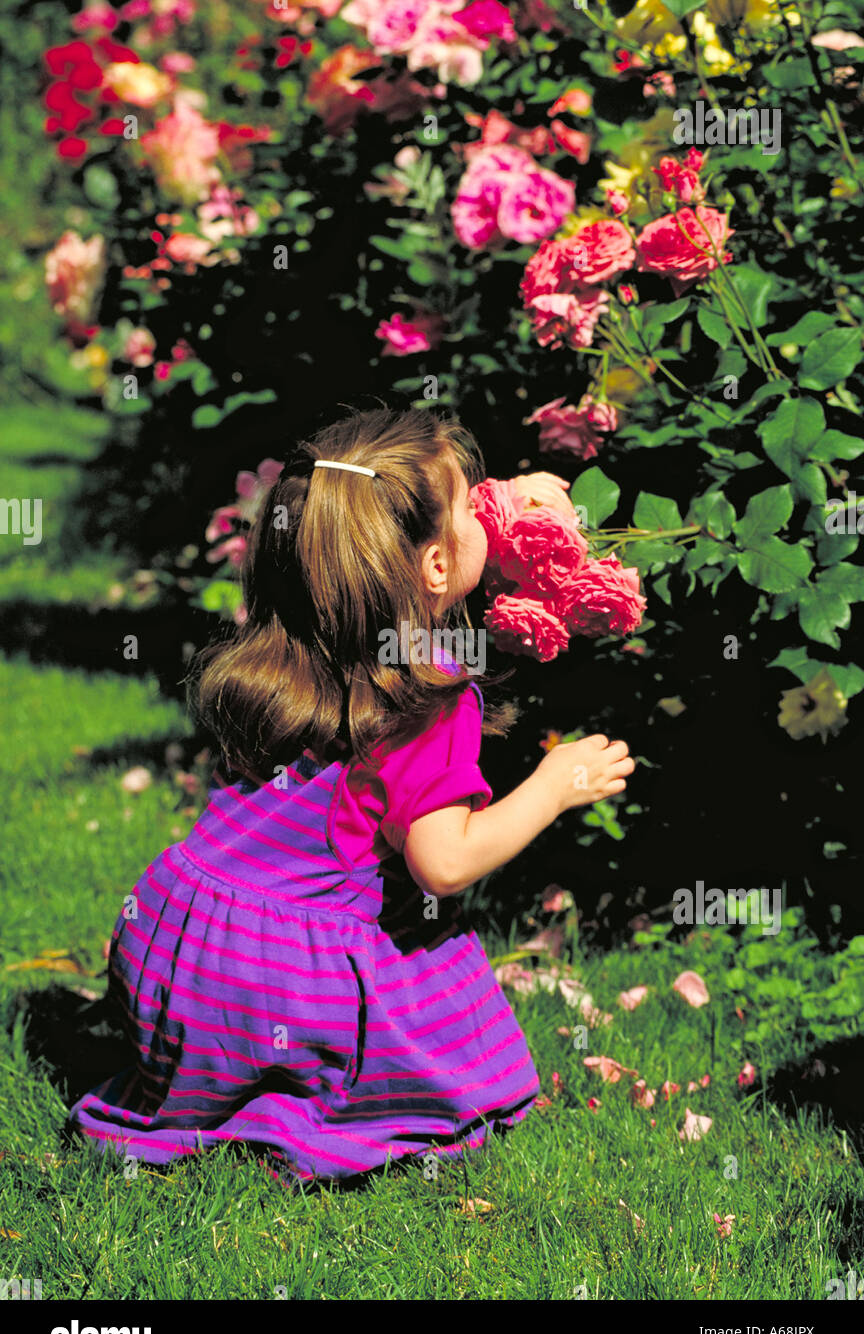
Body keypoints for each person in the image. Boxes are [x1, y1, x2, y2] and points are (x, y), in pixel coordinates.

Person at [67, 405, 635, 1185]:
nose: (488, 509)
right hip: (267, 984)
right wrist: (553, 786)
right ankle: (306, 1093)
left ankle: (217, 1082)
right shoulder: (427, 692)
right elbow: (443, 862)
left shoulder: (291, 651)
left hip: (169, 949)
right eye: (474, 505)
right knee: (447, 984)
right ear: (436, 568)